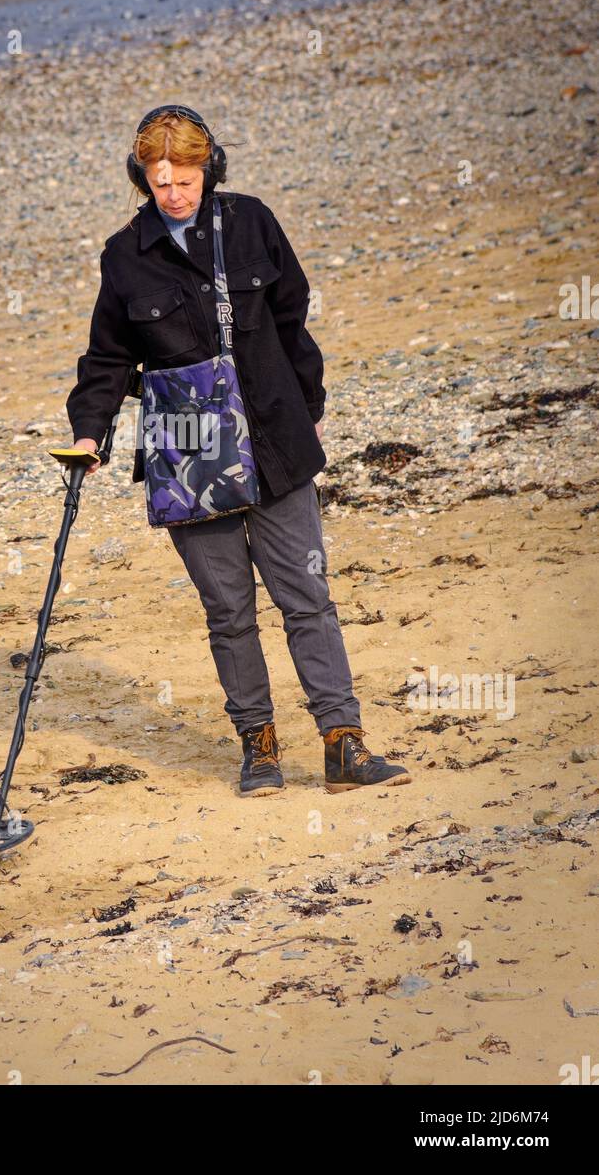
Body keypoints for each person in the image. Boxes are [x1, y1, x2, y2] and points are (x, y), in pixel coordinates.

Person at [66, 105, 411, 798]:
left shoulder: (251, 222)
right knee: (228, 612)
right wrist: (87, 433)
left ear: (208, 169)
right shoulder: (124, 256)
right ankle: (259, 749)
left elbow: (292, 324)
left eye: (185, 179)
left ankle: (344, 744)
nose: (174, 194)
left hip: (276, 443)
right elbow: (106, 357)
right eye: (161, 182)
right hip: (186, 456)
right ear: (143, 178)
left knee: (306, 596)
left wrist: (306, 411)